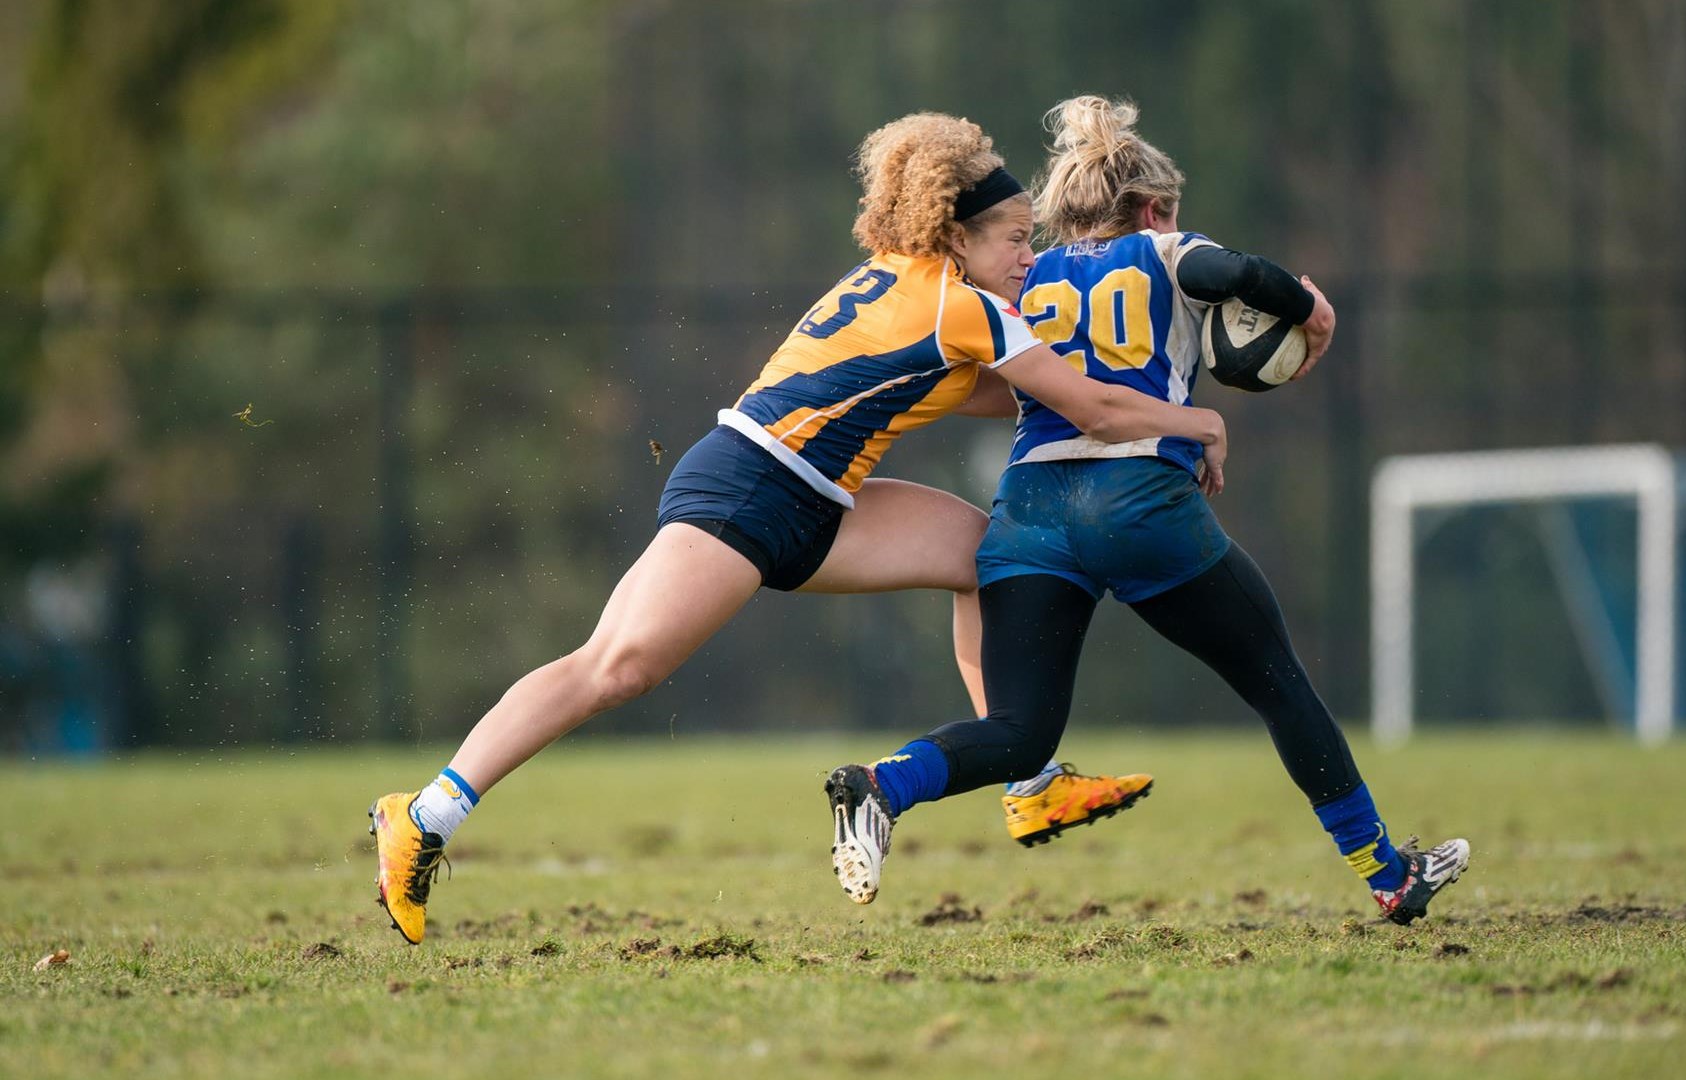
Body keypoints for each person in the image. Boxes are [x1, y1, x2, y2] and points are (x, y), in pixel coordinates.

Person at [367, 112, 1227, 944]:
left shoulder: (907, 280)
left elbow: (1013, 393)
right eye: (1013, 237)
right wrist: (1200, 423)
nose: (1028, 255)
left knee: (985, 555)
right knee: (618, 666)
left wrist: (1099, 373)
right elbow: (1086, 405)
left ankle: (1029, 780)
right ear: (957, 236)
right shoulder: (963, 309)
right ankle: (427, 813)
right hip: (749, 485)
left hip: (817, 499)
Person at [825, 96, 1469, 924]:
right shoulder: (1166, 249)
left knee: (1021, 733)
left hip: (1031, 512)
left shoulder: (1024, 276)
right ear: (1156, 207)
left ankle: (881, 786)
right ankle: (1388, 873)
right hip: (1141, 505)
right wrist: (1312, 312)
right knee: (1279, 686)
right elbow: (1232, 275)